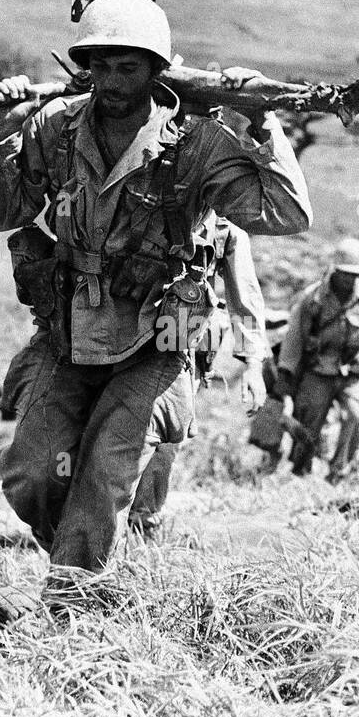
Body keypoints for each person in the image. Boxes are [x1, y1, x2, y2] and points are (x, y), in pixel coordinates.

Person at [0, 0, 311, 600]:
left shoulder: (196, 142)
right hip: (68, 333)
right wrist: (5, 132)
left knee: (106, 469)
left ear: (159, 70)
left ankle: (74, 605)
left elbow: (284, 213)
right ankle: (97, 556)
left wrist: (262, 123)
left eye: (128, 66)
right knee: (31, 472)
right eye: (99, 66)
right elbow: (4, 214)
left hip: (158, 342)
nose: (110, 81)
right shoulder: (56, 127)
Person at [127, 215, 271, 541]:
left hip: (177, 348)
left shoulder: (224, 235)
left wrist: (253, 366)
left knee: (165, 437)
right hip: (119, 339)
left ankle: (141, 523)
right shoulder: (141, 207)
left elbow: (244, 300)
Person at [274, 238, 359, 480]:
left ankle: (339, 471)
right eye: (346, 273)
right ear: (335, 270)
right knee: (309, 419)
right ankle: (300, 469)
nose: (350, 279)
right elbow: (294, 339)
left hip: (354, 370)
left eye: (356, 274)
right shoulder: (312, 299)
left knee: (357, 415)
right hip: (318, 368)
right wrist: (286, 373)